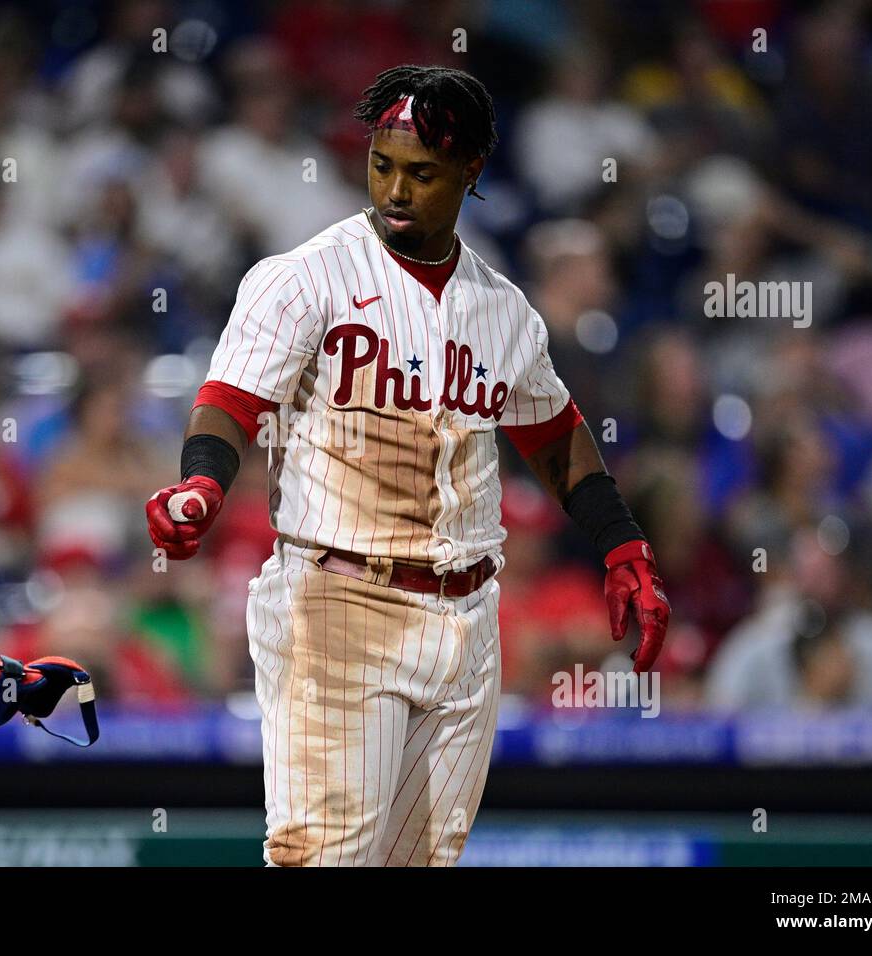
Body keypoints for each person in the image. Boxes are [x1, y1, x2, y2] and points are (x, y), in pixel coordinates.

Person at [145, 65, 670, 867]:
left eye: (421, 173)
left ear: (470, 173)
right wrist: (204, 481)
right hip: (340, 598)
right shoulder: (306, 276)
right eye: (382, 164)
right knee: (322, 859)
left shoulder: (502, 310)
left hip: (468, 616)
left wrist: (622, 541)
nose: (395, 188)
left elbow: (556, 433)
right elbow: (231, 399)